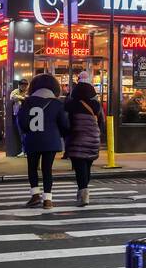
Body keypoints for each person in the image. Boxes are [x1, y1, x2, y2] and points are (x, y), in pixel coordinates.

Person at [15, 73, 69, 209]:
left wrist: (27, 131)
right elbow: (64, 124)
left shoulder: (28, 102)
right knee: (47, 169)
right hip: (51, 141)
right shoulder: (56, 103)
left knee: (32, 168)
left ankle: (34, 195)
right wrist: (61, 135)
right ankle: (47, 199)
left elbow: (21, 121)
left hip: (33, 139)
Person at [64, 74, 104, 206]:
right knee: (87, 166)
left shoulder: (71, 104)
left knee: (79, 167)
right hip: (93, 139)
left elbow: (66, 123)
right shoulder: (96, 105)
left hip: (77, 139)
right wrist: (98, 134)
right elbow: (101, 123)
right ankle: (84, 190)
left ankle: (83, 194)